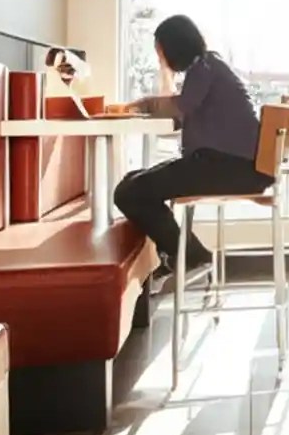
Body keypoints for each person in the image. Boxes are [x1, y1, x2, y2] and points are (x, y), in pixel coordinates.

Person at [111, 15, 272, 274]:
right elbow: (179, 105)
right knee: (132, 181)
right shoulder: (208, 67)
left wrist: (156, 84)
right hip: (233, 165)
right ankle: (181, 254)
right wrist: (141, 103)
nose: (160, 59)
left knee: (129, 192)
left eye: (160, 52)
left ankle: (185, 256)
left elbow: (178, 107)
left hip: (231, 168)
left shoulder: (204, 69)